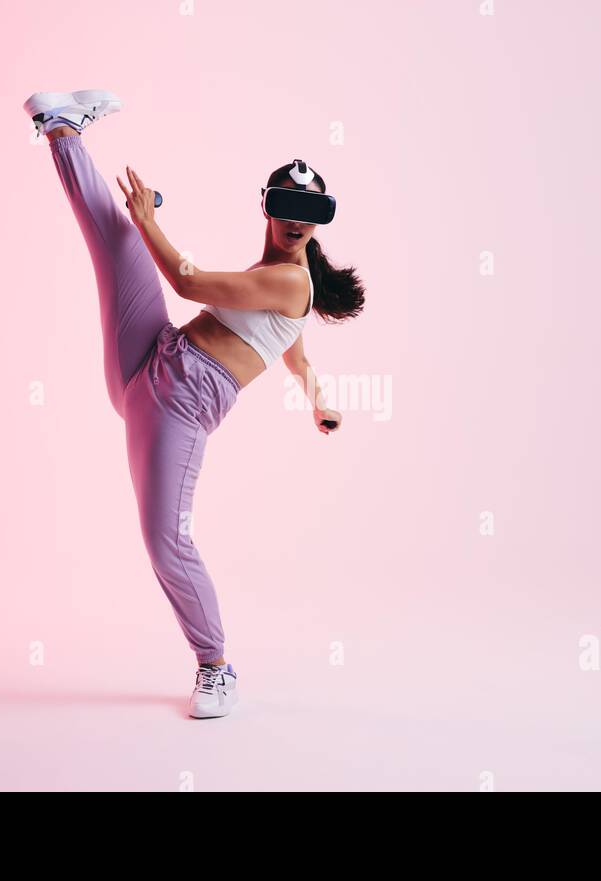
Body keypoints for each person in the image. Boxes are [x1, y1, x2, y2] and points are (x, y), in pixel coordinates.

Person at [24, 91, 366, 718]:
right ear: (268, 209)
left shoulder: (290, 280)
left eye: (309, 211)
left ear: (319, 221)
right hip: (149, 359)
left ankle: (216, 666)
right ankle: (62, 130)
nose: (296, 221)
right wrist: (322, 404)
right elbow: (296, 357)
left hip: (177, 409)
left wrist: (151, 216)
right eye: (287, 207)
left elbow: (185, 280)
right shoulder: (279, 279)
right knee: (118, 245)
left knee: (165, 541)